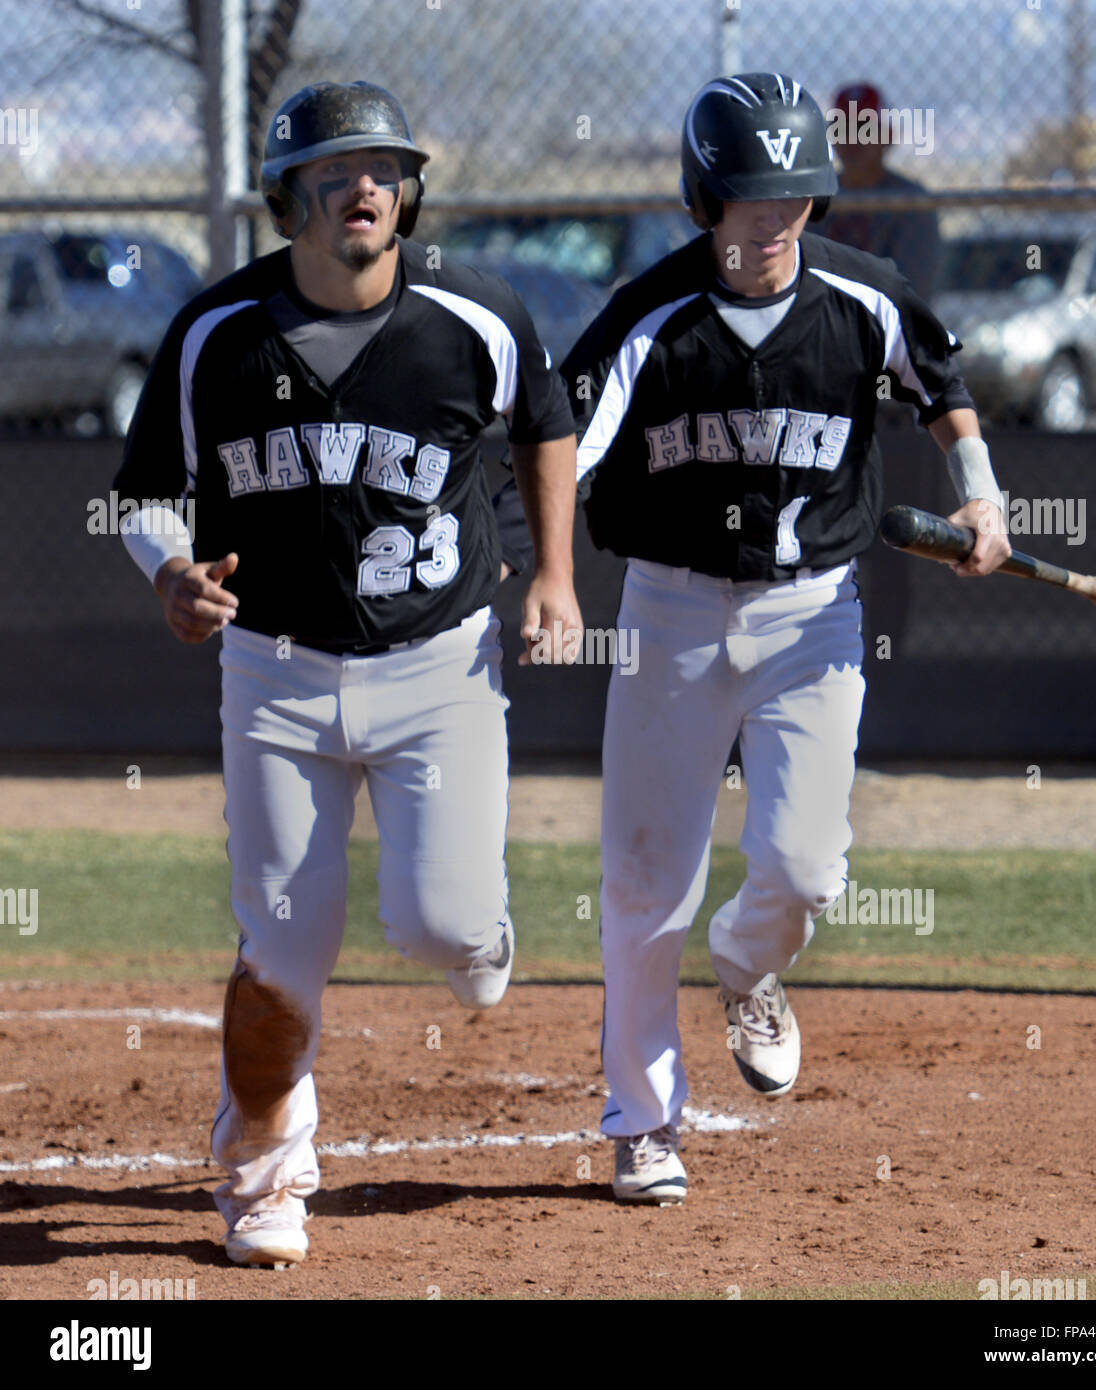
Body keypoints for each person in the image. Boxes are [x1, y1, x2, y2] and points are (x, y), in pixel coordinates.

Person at [114, 81, 581, 1265]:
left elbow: (544, 423)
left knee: (442, 925)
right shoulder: (216, 334)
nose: (367, 185)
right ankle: (265, 1176)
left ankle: (478, 931)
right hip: (272, 673)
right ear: (288, 198)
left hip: (439, 665)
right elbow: (138, 492)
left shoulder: (472, 314)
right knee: (280, 949)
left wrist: (554, 578)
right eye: (337, 169)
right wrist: (169, 570)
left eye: (384, 166)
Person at [561, 72, 1008, 1204]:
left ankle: (748, 964)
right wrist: (545, 575)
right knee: (644, 879)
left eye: (795, 194)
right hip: (668, 611)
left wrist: (981, 495)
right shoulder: (647, 315)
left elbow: (941, 381)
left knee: (806, 868)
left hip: (814, 613)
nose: (773, 219)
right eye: (748, 195)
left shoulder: (863, 296)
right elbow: (558, 443)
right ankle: (641, 1123)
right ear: (701, 196)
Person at [820, 81, 942, 305]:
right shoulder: (815, 199)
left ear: (887, 136)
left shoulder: (911, 203)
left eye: (865, 128)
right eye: (842, 128)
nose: (853, 138)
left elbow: (913, 297)